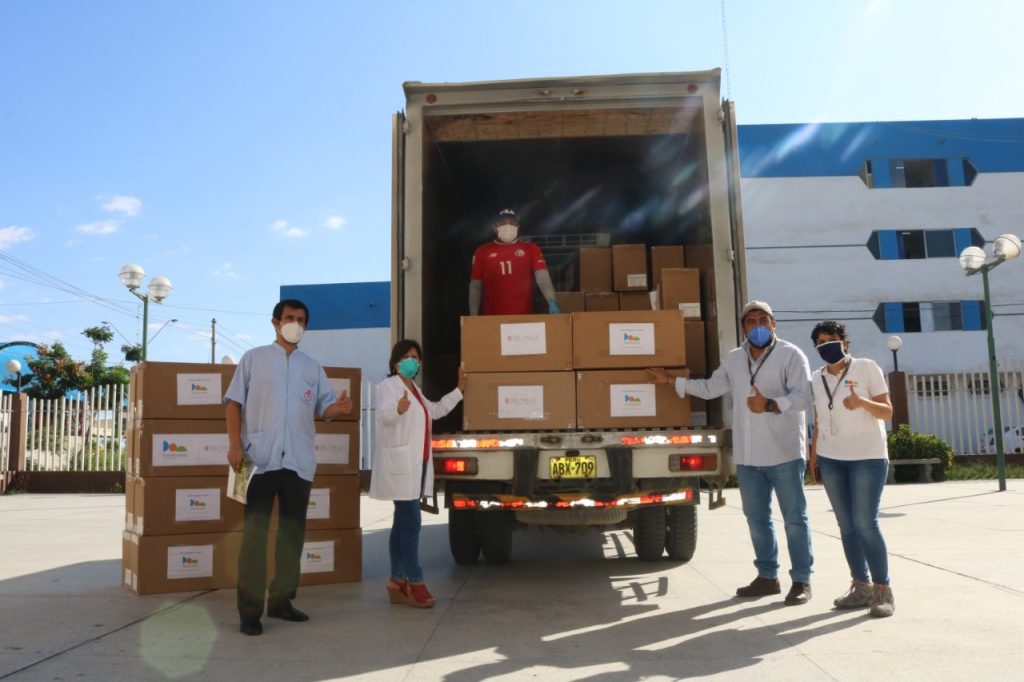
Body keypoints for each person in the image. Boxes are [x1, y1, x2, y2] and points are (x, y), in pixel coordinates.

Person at [647, 300, 814, 605]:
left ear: (774, 324)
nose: (758, 325)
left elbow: (804, 396)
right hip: (749, 456)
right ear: (743, 327)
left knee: (794, 519)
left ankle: (801, 580)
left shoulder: (791, 354)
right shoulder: (735, 358)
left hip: (784, 453)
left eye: (764, 319)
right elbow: (711, 387)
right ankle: (767, 577)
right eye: (752, 321)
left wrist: (772, 404)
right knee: (756, 519)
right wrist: (672, 381)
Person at [225, 299, 353, 636]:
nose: (294, 324)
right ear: (275, 323)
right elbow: (233, 403)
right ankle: (249, 612)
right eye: (289, 318)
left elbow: (325, 409)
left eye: (300, 320)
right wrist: (235, 445)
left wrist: (338, 409)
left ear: (306, 327)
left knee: (290, 537)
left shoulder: (312, 367)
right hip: (257, 460)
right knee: (254, 539)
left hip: (298, 463)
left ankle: (281, 602)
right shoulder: (254, 359)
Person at [808, 320, 895, 618]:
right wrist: (814, 456)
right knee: (846, 526)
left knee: (865, 523)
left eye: (832, 339)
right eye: (820, 341)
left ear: (845, 342)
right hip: (831, 458)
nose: (827, 345)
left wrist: (862, 402)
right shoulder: (815, 378)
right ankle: (861, 587)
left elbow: (887, 411)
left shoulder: (866, 368)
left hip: (867, 457)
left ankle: (883, 589)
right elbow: (819, 420)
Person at [370, 339, 466, 608]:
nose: (414, 361)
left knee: (401, 525)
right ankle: (415, 582)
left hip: (418, 465)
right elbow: (385, 416)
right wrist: (397, 410)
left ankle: (396, 580)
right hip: (400, 467)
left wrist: (459, 390)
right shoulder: (387, 387)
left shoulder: (415, 391)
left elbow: (434, 411)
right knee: (411, 523)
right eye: (408, 356)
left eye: (417, 357)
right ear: (396, 362)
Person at [468, 208, 560, 315]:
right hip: (492, 319)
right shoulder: (482, 251)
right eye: (502, 223)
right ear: (494, 227)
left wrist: (551, 300)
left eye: (512, 222)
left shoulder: (531, 248)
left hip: (523, 318)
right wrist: (473, 314)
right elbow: (475, 286)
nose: (507, 226)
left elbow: (542, 276)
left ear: (518, 226)